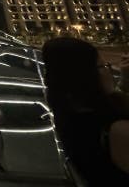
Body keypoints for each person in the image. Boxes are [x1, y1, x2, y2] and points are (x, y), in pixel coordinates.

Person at [42, 37, 129, 185]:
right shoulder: (116, 130)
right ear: (86, 77)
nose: (108, 70)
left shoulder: (69, 115)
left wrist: (124, 84)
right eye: (102, 66)